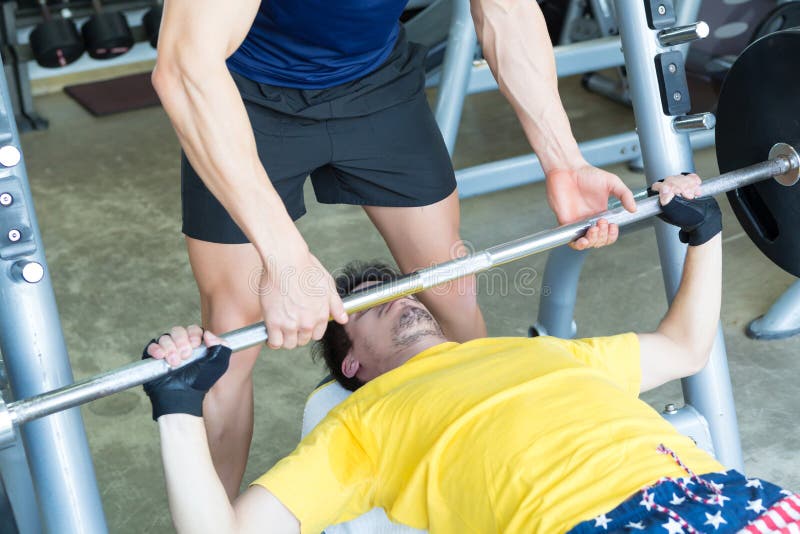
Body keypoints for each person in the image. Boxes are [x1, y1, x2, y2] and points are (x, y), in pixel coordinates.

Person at [151, 0, 637, 496]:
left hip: (375, 79)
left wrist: (564, 162)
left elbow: (506, 11)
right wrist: (284, 254)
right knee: (231, 342)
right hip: (243, 93)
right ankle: (213, 518)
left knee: (452, 292)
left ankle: (493, 468)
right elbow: (186, 67)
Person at [142, 176, 800, 533]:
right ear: (351, 365)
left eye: (404, 293)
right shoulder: (358, 429)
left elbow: (684, 348)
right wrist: (179, 408)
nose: (403, 303)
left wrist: (704, 234)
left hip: (725, 497)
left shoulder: (540, 354)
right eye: (372, 307)